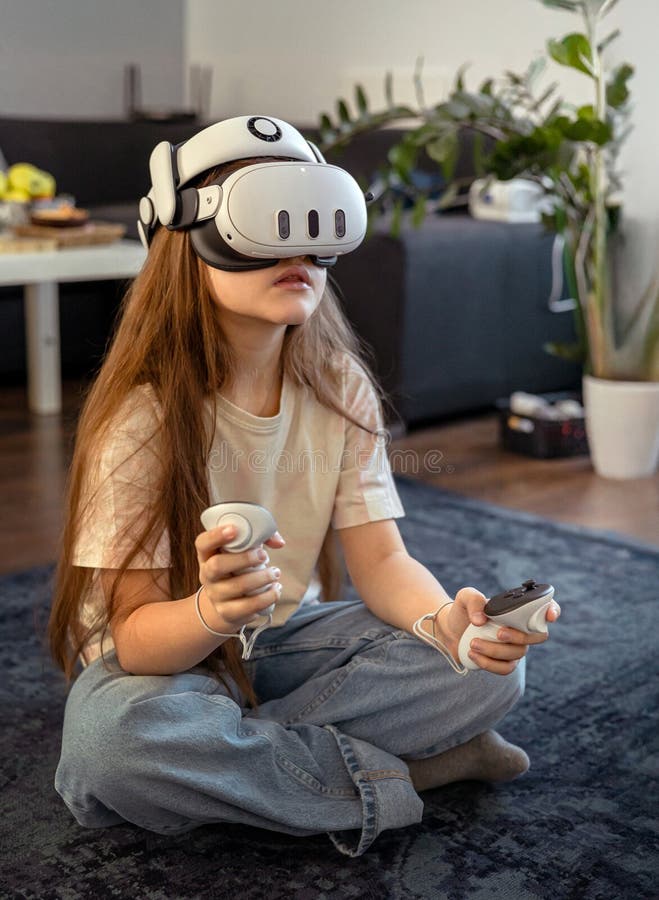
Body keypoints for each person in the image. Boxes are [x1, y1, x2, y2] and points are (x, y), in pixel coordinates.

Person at [48, 115, 560, 858]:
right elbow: (135, 640)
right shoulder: (145, 416)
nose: (300, 252)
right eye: (267, 222)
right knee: (109, 750)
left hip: (288, 641)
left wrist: (448, 624)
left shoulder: (338, 385)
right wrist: (208, 609)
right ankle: (411, 773)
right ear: (185, 237)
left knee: (487, 676)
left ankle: (251, 762)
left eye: (318, 221)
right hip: (165, 665)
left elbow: (382, 566)